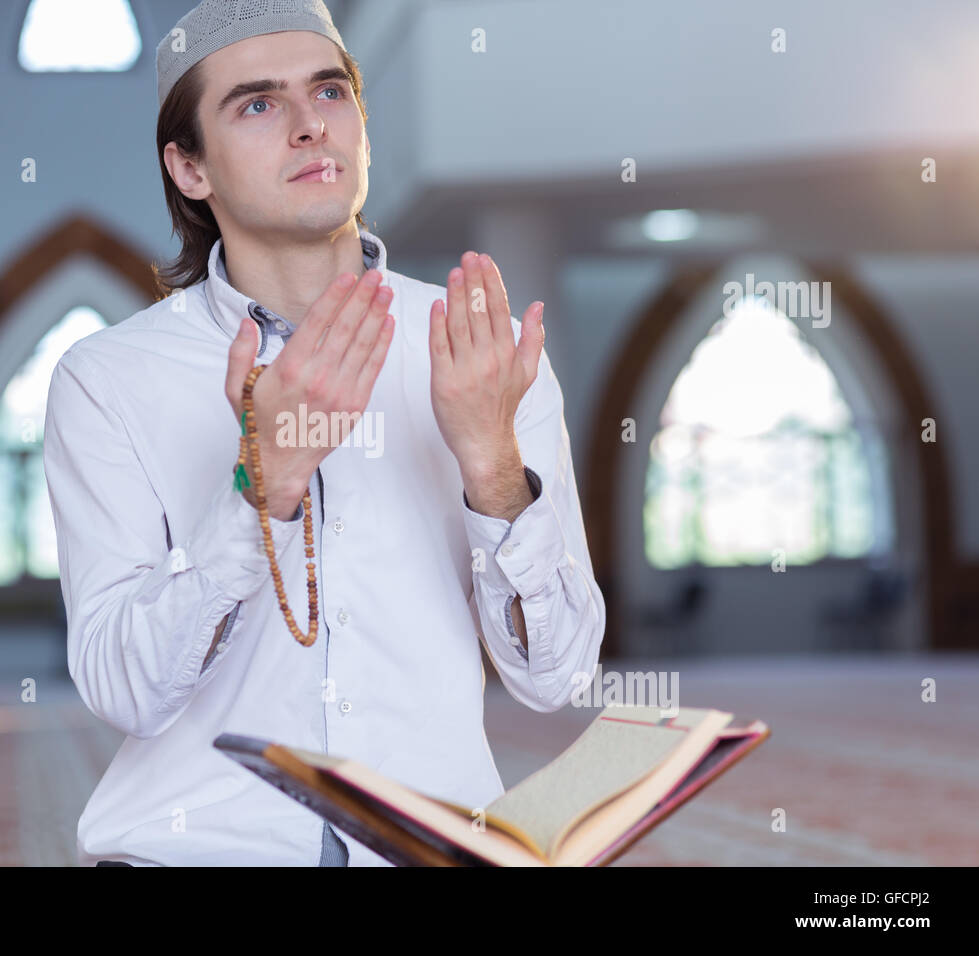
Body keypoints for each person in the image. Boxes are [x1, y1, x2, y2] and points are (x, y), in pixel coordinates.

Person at [42, 0, 606, 867]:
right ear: (189, 167)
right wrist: (261, 487)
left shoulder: (473, 352)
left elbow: (556, 678)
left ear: (363, 130)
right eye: (258, 104)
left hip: (434, 848)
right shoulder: (108, 380)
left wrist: (492, 461)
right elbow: (125, 690)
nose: (310, 126)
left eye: (330, 92)